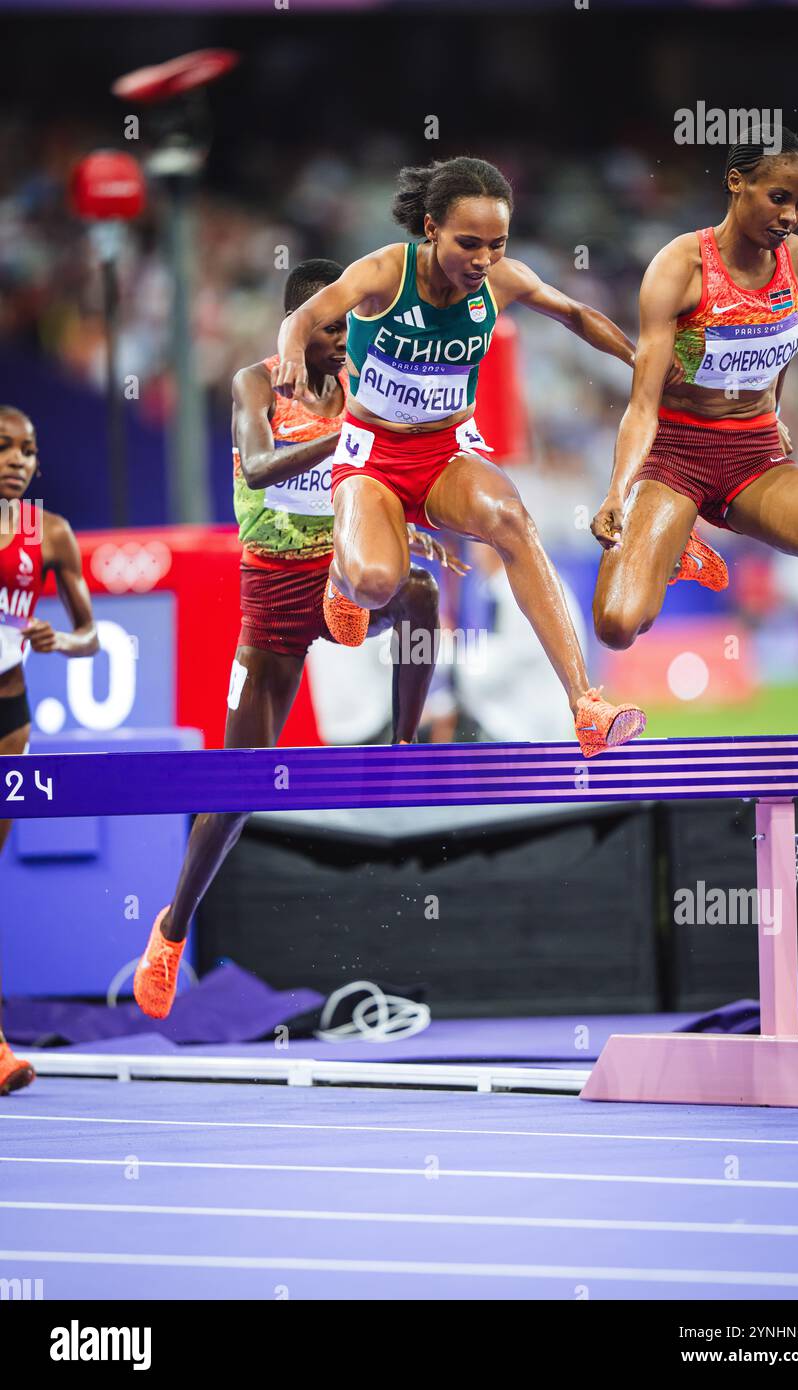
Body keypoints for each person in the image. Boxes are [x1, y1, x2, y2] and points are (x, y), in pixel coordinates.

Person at [272, 157, 704, 758]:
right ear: (430, 229)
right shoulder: (381, 275)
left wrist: (639, 361)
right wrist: (292, 353)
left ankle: (585, 703)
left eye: (496, 245)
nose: (482, 260)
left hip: (446, 452)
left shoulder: (503, 280)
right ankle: (344, 585)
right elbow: (302, 318)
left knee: (512, 520)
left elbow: (576, 314)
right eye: (468, 244)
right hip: (374, 456)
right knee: (376, 581)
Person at [134, 261, 462, 1021]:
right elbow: (258, 463)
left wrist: (420, 527)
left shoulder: (357, 391)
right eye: (330, 328)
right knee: (237, 787)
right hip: (270, 600)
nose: (343, 341)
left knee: (416, 591)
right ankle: (171, 930)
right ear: (296, 323)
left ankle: (401, 750)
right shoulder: (259, 385)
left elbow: (380, 478)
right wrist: (339, 439)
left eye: (350, 327)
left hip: (337, 569)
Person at [591, 128, 798, 650]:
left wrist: (774, 410)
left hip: (753, 457)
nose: (789, 216)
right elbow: (642, 406)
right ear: (736, 183)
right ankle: (682, 538)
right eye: (777, 198)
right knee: (618, 625)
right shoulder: (680, 267)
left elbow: (778, 342)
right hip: (676, 458)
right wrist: (616, 492)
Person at [0, 405, 98, 1094]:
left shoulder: (51, 534)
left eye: (28, 450)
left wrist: (57, 641)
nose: (17, 460)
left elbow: (89, 633)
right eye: (4, 447)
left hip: (9, 713)